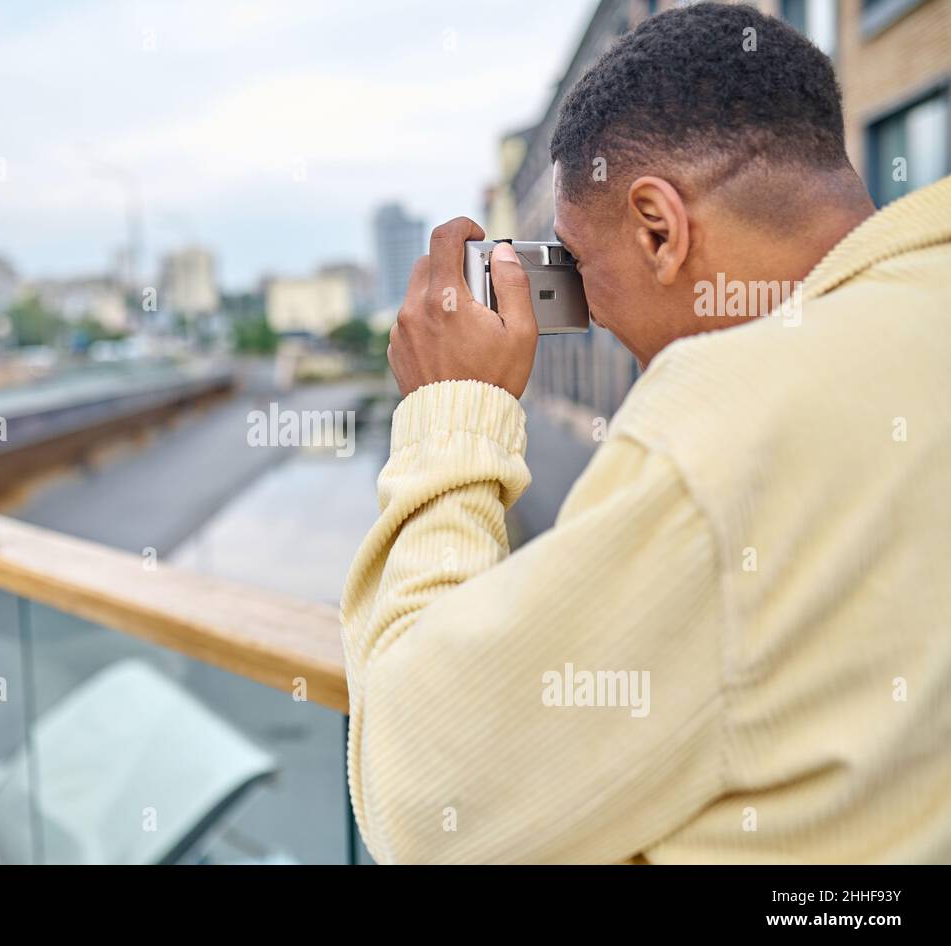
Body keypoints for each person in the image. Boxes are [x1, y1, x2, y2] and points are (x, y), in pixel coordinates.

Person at [341, 3, 950, 863]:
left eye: (580, 270)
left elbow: (422, 794)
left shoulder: (716, 428)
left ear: (660, 229)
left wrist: (449, 415)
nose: (583, 313)